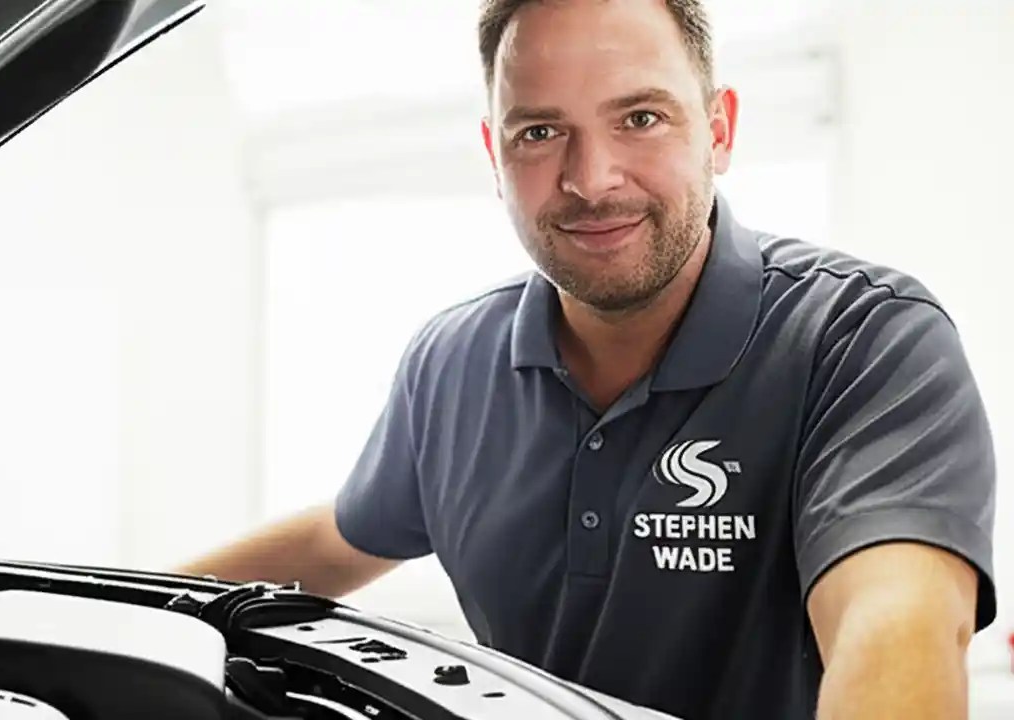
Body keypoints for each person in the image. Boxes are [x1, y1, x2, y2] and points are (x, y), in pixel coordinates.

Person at [178, 1, 998, 718]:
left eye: (640, 118)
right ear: (496, 156)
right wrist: (122, 614)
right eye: (540, 132)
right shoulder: (451, 363)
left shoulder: (862, 340)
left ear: (719, 130)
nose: (592, 179)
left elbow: (894, 630)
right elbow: (336, 541)